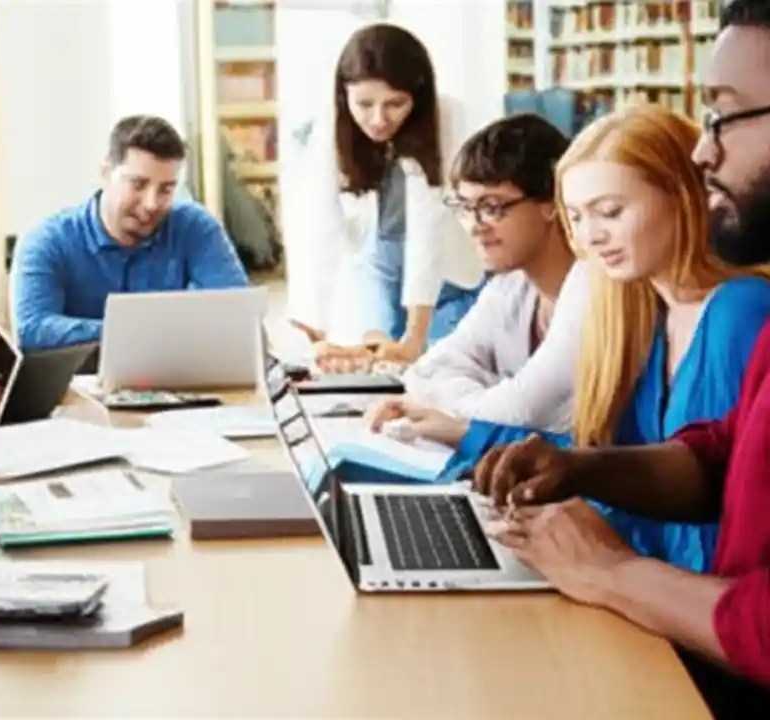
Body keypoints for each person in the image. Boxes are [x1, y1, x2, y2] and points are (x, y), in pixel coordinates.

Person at [476, 3, 770, 711]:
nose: (704, 153)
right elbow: (729, 456)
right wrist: (580, 467)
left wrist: (609, 570)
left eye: (726, 117)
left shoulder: (739, 310)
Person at [453, 104, 770, 576]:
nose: (591, 237)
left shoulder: (739, 311)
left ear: (682, 195)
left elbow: (717, 514)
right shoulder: (635, 310)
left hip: (688, 612)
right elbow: (617, 463)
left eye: (611, 212)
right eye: (577, 217)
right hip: (644, 588)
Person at [364, 114, 586, 447]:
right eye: (466, 207)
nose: (474, 226)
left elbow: (517, 412)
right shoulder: (511, 286)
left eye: (492, 207)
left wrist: (457, 410)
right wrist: (480, 401)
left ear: (552, 203)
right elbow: (424, 373)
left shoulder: (590, 290)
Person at [298, 23, 485, 368]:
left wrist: (415, 336)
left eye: (395, 104)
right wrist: (317, 325)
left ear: (418, 95)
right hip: (380, 262)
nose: (379, 119)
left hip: (448, 272)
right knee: (378, 361)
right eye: (364, 104)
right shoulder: (330, 125)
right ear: (344, 95)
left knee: (437, 367)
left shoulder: (447, 117)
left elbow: (429, 229)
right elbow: (321, 225)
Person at [10, 114, 249, 352]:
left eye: (166, 189)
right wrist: (136, 332)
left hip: (170, 380)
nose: (151, 203)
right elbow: (33, 329)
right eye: (138, 185)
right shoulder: (46, 241)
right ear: (105, 172)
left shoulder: (194, 226)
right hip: (77, 384)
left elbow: (238, 313)